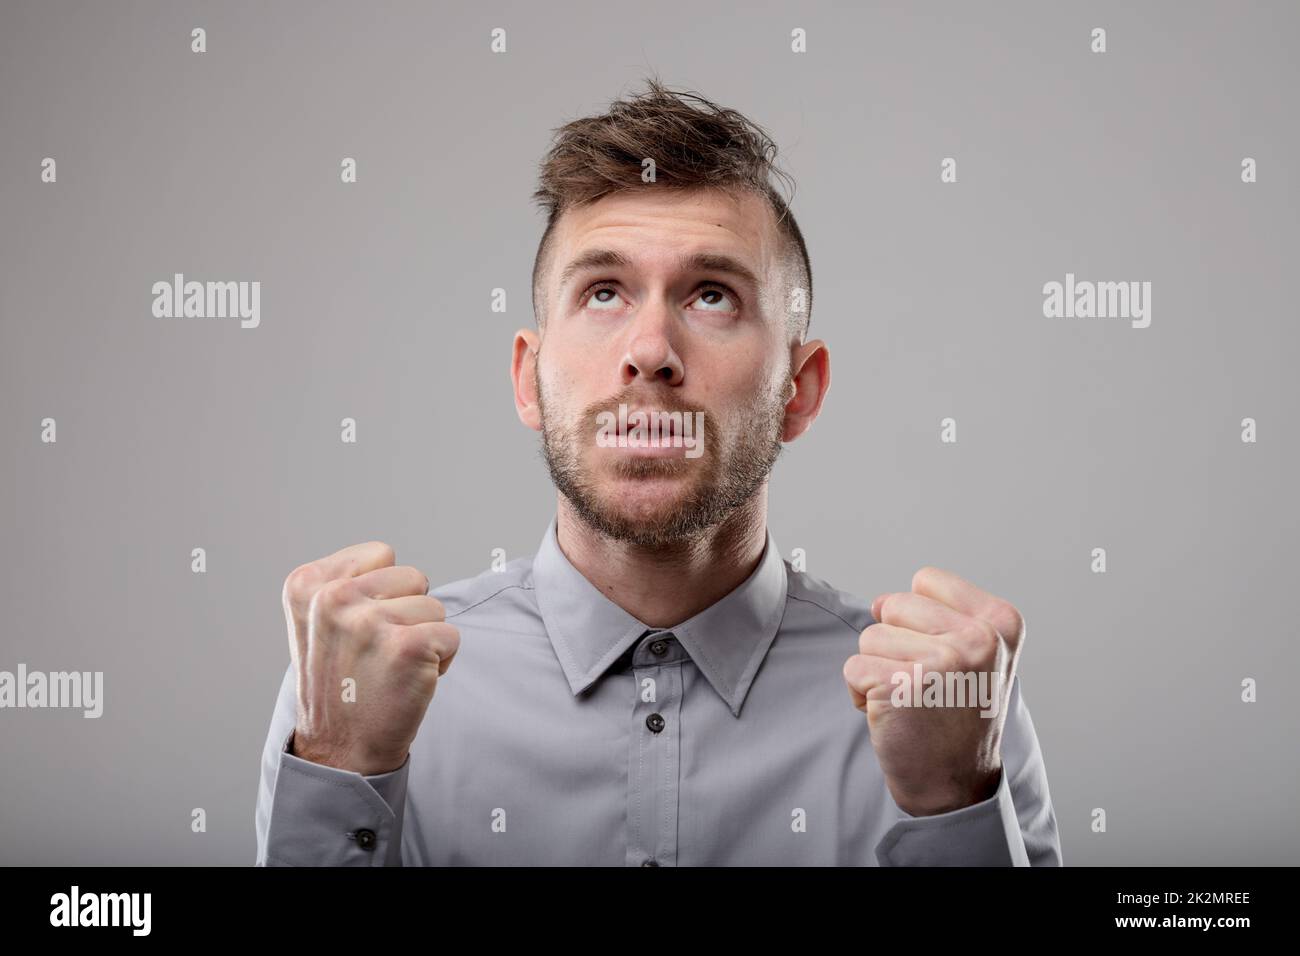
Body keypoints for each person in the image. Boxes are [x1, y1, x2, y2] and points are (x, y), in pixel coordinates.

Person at [255, 77, 1062, 866]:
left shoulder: (955, 704)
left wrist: (952, 810)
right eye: (604, 292)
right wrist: (338, 769)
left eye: (711, 296)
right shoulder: (352, 685)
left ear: (799, 389)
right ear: (528, 380)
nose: (650, 352)